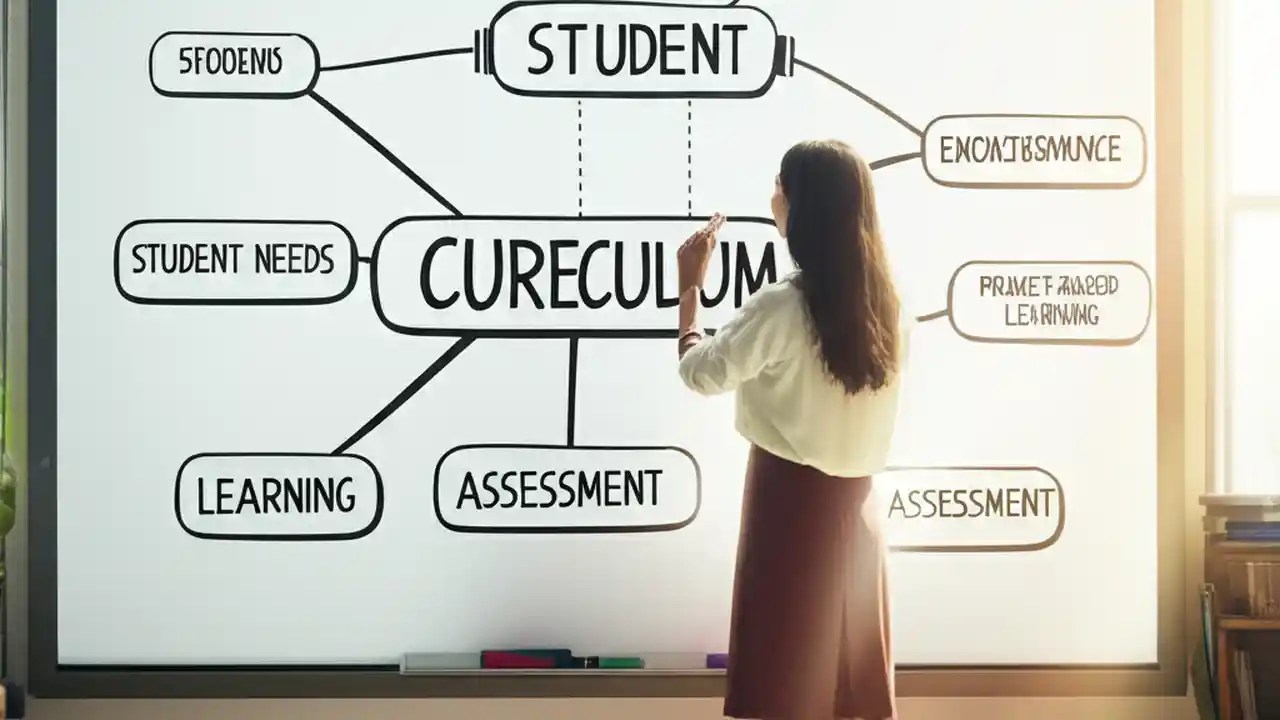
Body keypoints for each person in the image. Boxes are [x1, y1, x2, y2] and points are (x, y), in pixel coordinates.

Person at [674, 139, 910, 720]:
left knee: (780, 692)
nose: (772, 197)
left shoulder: (783, 305)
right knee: (850, 697)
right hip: (859, 517)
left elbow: (700, 373)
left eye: (780, 185)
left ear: (805, 205)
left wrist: (689, 291)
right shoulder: (891, 306)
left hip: (786, 508)